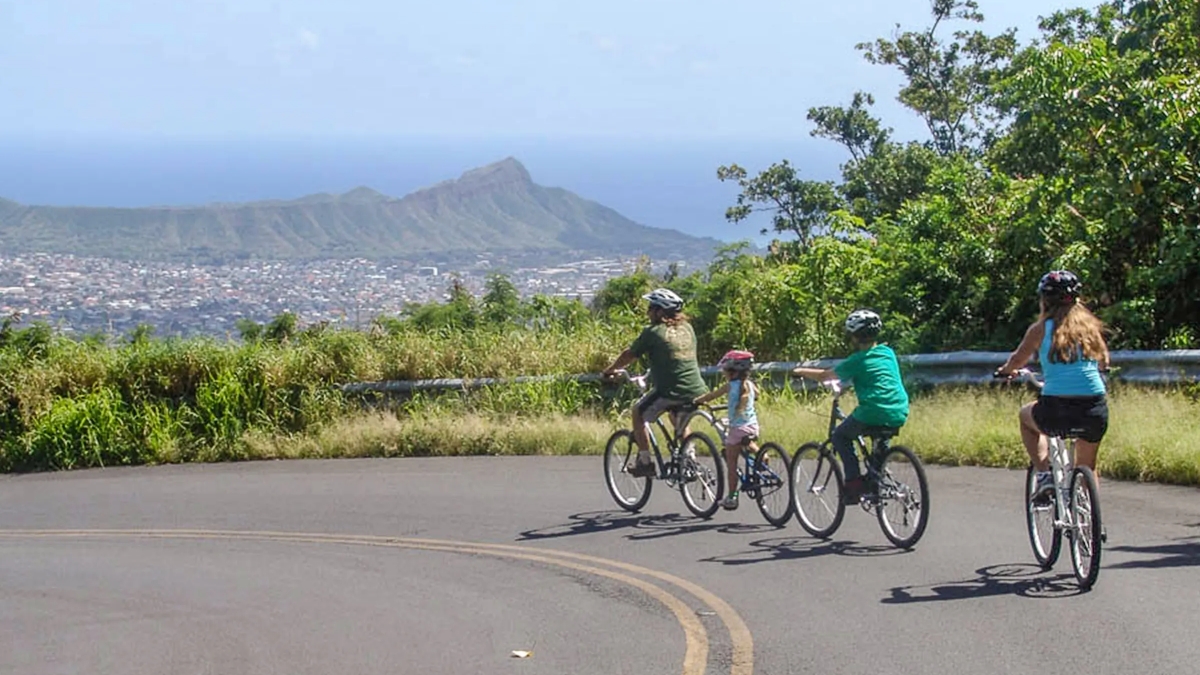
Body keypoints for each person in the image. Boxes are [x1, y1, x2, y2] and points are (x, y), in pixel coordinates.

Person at [995, 270, 1109, 506]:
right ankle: (1091, 518)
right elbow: (1104, 361)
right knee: (1087, 466)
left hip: (1056, 408)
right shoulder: (1090, 328)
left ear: (1044, 300)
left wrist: (1006, 371)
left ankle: (1044, 473)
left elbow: (1018, 359)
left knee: (1025, 416)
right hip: (1094, 407)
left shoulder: (1040, 329)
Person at [792, 310, 910, 504]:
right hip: (899, 408)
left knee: (840, 436)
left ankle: (854, 484)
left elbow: (825, 376)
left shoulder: (857, 360)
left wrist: (800, 371)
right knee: (880, 439)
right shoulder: (888, 353)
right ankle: (875, 482)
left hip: (873, 410)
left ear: (854, 337)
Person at [602, 288, 709, 478]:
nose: (648, 312)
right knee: (678, 418)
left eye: (651, 307)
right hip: (697, 390)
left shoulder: (653, 332)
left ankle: (645, 462)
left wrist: (610, 370)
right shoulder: (688, 328)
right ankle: (690, 459)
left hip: (670, 390)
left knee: (638, 412)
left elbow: (629, 355)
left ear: (660, 311)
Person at [694, 349, 759, 510]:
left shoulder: (730, 386)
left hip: (737, 430)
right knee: (746, 442)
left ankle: (732, 497)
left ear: (731, 371)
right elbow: (757, 395)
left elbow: (711, 396)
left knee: (732, 464)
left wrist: (697, 401)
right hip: (753, 426)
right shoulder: (750, 385)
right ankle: (761, 456)